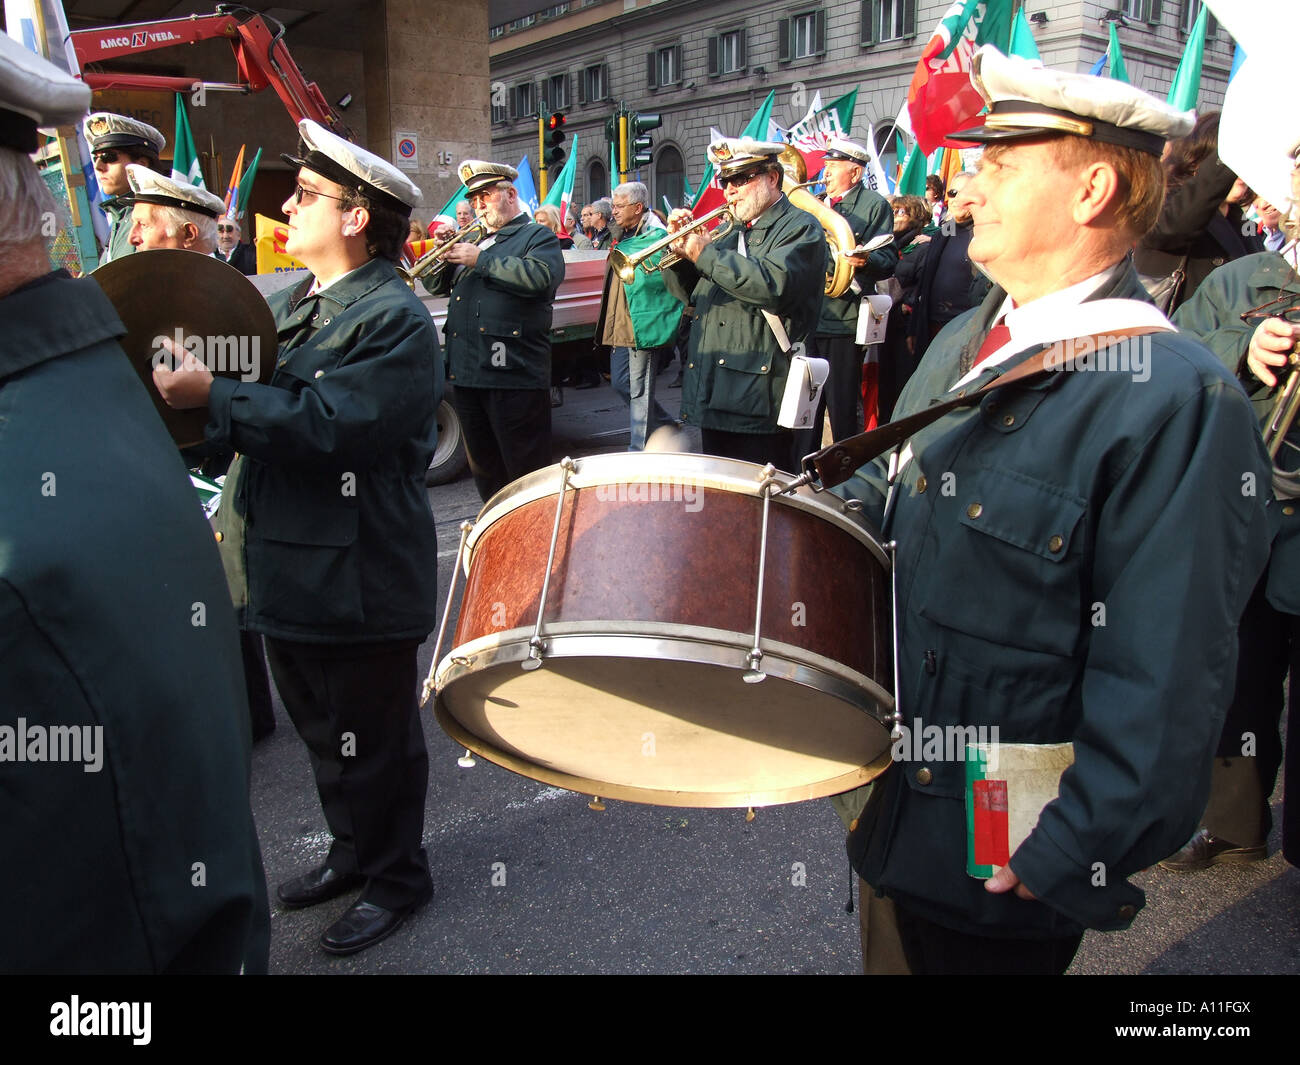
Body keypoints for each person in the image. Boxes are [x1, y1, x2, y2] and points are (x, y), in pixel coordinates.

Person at [837, 47, 1272, 976]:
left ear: (1092, 190)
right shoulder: (969, 334)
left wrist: (1085, 838)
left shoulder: (1170, 393)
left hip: (1008, 842)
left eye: (1000, 162)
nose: (967, 183)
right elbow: (885, 489)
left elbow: (1169, 658)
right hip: (891, 795)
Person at [1, 34, 268, 973]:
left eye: (156, 213)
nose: (140, 223)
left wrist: (222, 399)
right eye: (135, 211)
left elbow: (321, 418)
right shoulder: (100, 329)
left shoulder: (180, 304)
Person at [153, 118, 442, 956]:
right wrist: (195, 408)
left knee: (375, 744)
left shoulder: (391, 318)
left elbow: (328, 426)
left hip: (359, 577)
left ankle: (397, 878)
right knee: (324, 733)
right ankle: (353, 853)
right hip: (289, 568)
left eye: (309, 194)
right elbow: (249, 414)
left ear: (358, 217)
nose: (289, 203)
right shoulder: (294, 303)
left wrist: (213, 398)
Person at [1166, 140, 1300, 872]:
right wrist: (1246, 344)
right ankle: (1235, 821)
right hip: (1249, 509)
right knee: (1239, 674)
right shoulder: (1246, 276)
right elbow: (1178, 355)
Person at [662, 138, 825, 468]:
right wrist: (678, 254)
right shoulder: (728, 230)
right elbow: (690, 295)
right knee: (724, 506)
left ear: (772, 177)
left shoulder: (801, 228)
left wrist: (704, 254)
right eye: (726, 182)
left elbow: (772, 285)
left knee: (763, 504)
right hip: (716, 392)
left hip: (758, 398)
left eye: (741, 179)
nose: (730, 191)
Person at [425, 159, 564, 501]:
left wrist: (480, 260)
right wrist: (442, 254)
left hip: (513, 376)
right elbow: (433, 284)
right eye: (474, 200)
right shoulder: (474, 239)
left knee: (526, 478)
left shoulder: (537, 235)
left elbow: (542, 278)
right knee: (487, 475)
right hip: (469, 376)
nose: (479, 206)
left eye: (485, 196)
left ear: (510, 194)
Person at [799, 137, 895, 454]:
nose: (824, 173)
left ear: (854, 173)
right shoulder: (817, 202)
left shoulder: (874, 206)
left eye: (833, 167)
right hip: (810, 316)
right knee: (805, 405)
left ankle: (845, 470)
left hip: (843, 318)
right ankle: (804, 469)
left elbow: (888, 258)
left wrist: (865, 260)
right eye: (825, 166)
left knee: (841, 404)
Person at [1134, 111, 1261, 314]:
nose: (1239, 170)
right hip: (1169, 337)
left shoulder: (1242, 220)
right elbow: (1174, 227)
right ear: (1198, 161)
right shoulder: (1163, 203)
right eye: (1232, 162)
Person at [594, 180, 683, 450]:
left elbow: (661, 283)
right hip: (621, 322)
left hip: (641, 322)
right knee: (622, 383)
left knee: (639, 391)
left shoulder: (656, 236)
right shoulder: (622, 234)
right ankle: (665, 425)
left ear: (638, 207)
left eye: (620, 206)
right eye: (613, 205)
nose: (614, 211)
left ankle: (639, 450)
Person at [906, 172, 991, 363]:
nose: (956, 198)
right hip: (932, 328)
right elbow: (924, 283)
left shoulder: (986, 234)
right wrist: (914, 328)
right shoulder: (943, 232)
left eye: (964, 192)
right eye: (952, 192)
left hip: (966, 332)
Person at [82, 111, 165, 266]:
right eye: (96, 158)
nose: (98, 167)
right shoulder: (120, 213)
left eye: (108, 157)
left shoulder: (158, 219)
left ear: (140, 165)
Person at [878, 194, 933, 420]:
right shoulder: (886, 244)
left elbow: (922, 287)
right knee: (883, 386)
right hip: (883, 325)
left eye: (901, 212)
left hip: (904, 327)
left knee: (901, 383)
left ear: (916, 216)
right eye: (893, 211)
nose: (895, 216)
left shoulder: (923, 247)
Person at [124, 165, 225, 253]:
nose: (131, 239)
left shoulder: (221, 275)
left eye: (144, 225)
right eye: (134, 223)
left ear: (188, 234)